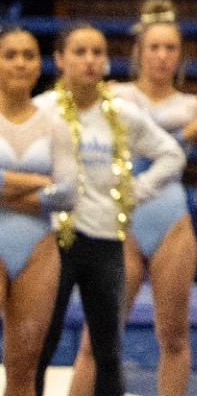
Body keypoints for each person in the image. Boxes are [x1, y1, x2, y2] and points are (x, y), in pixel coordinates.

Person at [69, 0, 197, 396]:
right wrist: (189, 133)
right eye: (154, 48)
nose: (163, 57)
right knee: (97, 336)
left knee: (174, 336)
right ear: (138, 53)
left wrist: (193, 130)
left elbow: (169, 156)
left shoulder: (195, 104)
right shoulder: (115, 96)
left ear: (181, 56)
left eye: (171, 49)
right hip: (120, 221)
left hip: (170, 219)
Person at [34, 23, 185, 396]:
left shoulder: (121, 114)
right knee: (41, 342)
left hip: (104, 239)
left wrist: (135, 192)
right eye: (80, 52)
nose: (89, 61)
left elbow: (171, 154)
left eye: (97, 53)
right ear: (59, 60)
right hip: (54, 240)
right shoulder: (42, 110)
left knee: (108, 349)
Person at [0, 27, 76, 396]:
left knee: (25, 365)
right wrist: (36, 180)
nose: (20, 63)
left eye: (29, 55)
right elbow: (51, 186)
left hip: (39, 247)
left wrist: (6, 189)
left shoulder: (56, 124)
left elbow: (68, 193)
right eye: (10, 55)